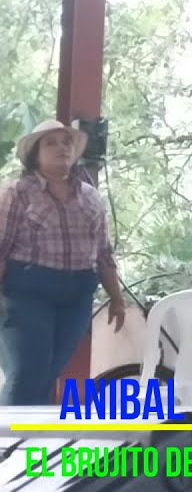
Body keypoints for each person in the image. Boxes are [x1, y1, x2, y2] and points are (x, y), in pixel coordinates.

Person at [0, 120, 126, 405]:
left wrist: (117, 300)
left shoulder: (90, 197)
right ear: (35, 155)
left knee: (48, 374)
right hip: (28, 293)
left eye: (67, 142)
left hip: (76, 297)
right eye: (51, 143)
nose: (62, 147)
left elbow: (104, 253)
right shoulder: (17, 192)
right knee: (26, 374)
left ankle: (33, 433)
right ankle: (8, 433)